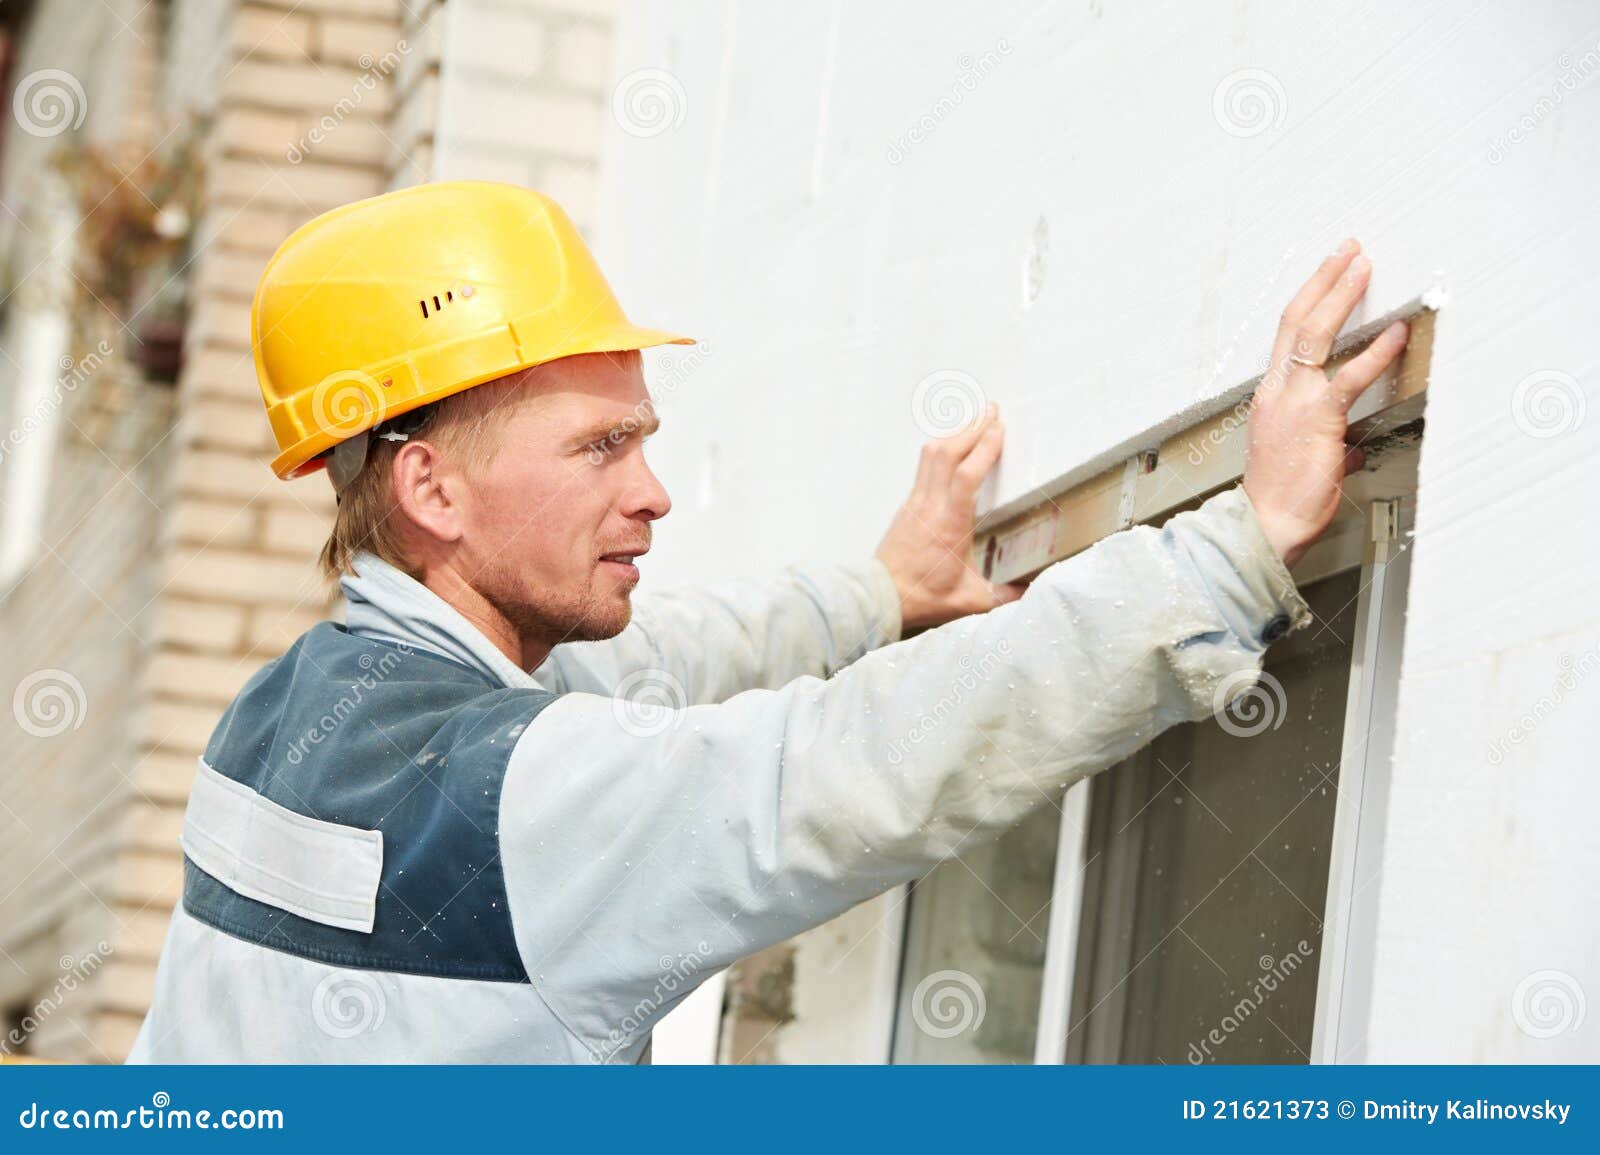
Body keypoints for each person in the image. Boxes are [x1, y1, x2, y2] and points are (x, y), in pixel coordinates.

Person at [127, 182, 1408, 1063]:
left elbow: (661, 661)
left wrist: (881, 591)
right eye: (600, 447)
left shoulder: (291, 711)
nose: (652, 490)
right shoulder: (514, 801)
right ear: (434, 489)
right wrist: (1235, 546)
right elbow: (850, 766)